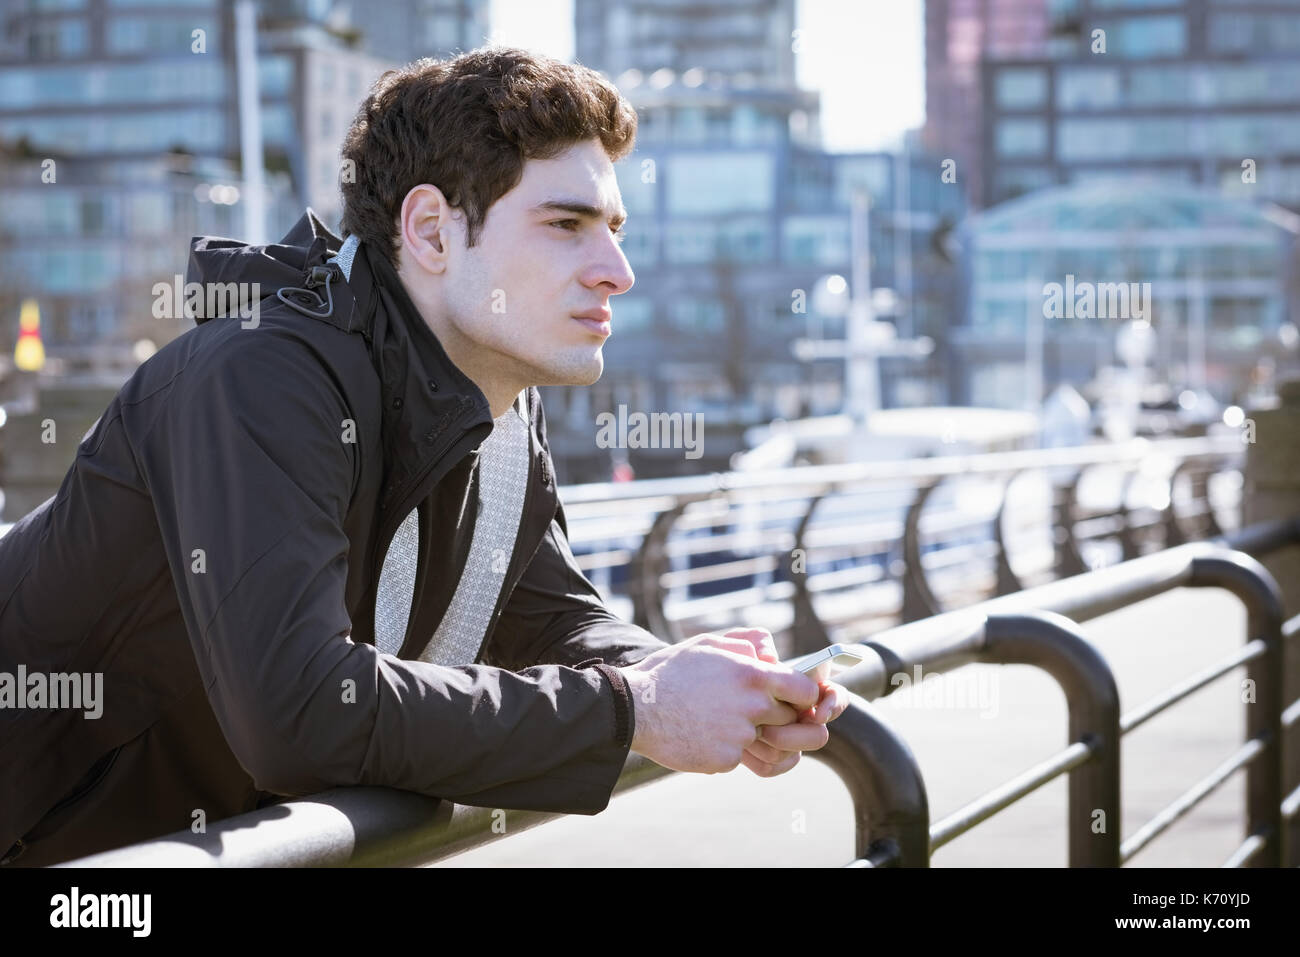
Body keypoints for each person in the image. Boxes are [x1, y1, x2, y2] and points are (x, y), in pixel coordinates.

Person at [0, 47, 848, 868]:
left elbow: (546, 616)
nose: (617, 271)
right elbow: (300, 710)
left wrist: (684, 677)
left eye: (615, 229)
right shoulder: (259, 375)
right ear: (433, 231)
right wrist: (641, 711)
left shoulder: (501, 407)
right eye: (566, 224)